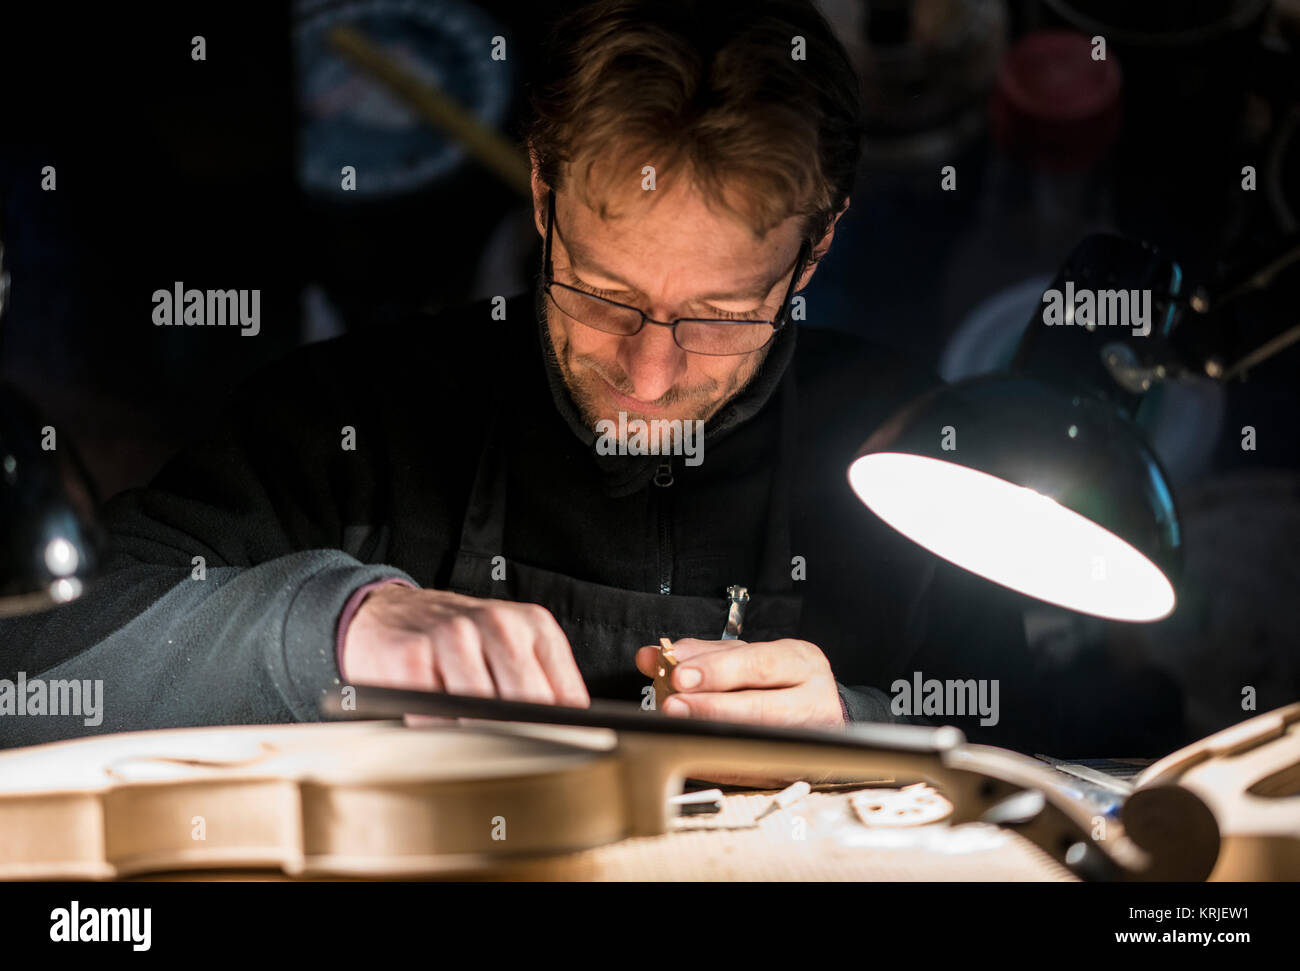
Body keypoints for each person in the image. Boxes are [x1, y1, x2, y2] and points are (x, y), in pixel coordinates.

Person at [0, 0, 1047, 751]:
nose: (648, 374)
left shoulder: (921, 456)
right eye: (603, 293)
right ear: (542, 193)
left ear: (814, 253)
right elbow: (28, 676)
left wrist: (861, 726)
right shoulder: (349, 422)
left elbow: (1074, 753)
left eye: (720, 317)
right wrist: (328, 626)